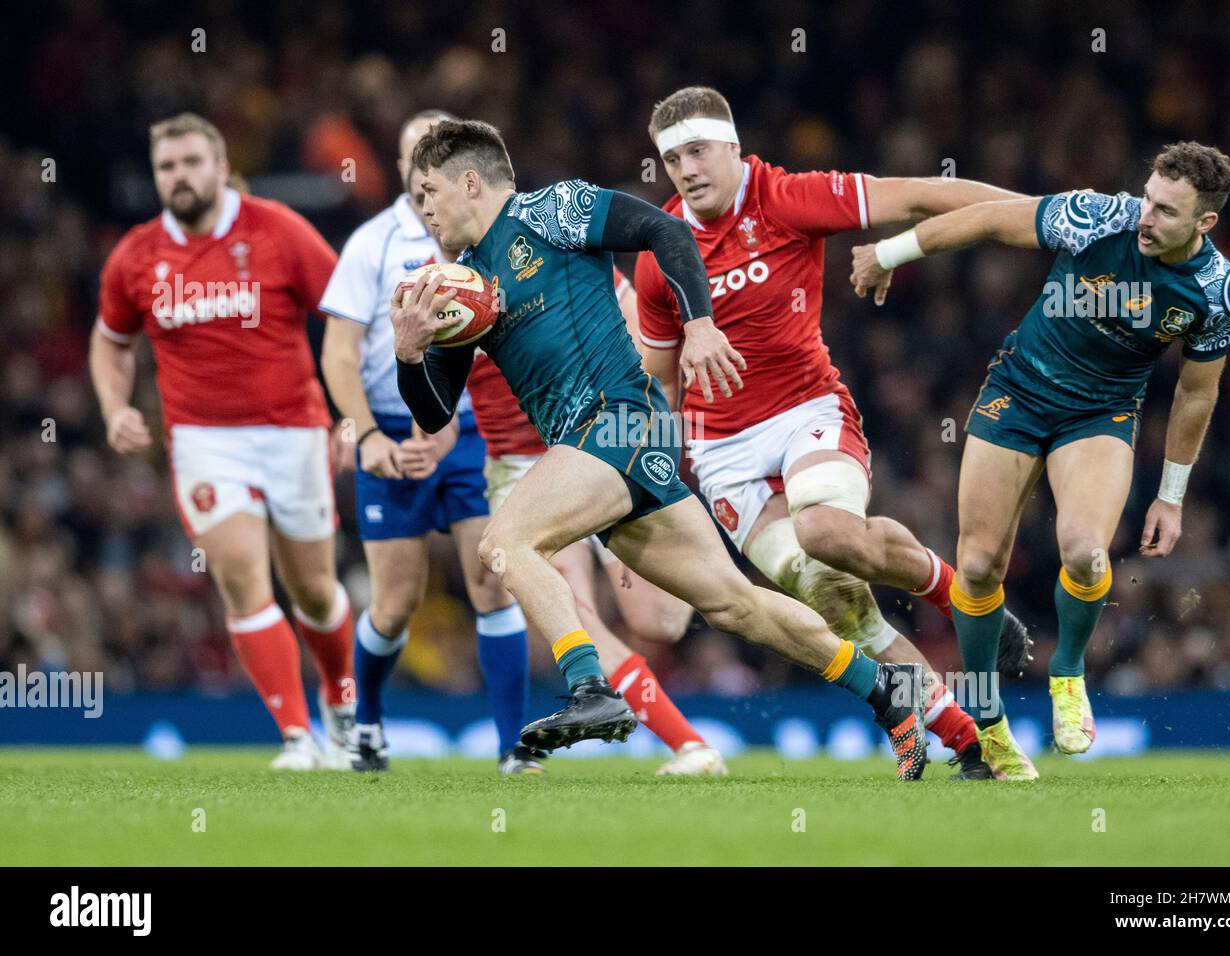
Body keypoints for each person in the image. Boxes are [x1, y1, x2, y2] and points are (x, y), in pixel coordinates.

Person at [394, 119, 929, 780]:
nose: (422, 207)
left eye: (429, 191)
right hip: (606, 453)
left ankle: (591, 689)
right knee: (736, 605)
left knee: (505, 541)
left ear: (470, 182)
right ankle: (891, 701)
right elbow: (434, 410)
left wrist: (699, 323)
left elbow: (665, 231)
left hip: (620, 421)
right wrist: (409, 351)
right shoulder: (460, 286)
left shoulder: (553, 211)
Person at [634, 87, 1032, 777]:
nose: (687, 168)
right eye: (671, 159)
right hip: (722, 452)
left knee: (826, 532)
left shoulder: (785, 198)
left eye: (697, 150)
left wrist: (1038, 214)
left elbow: (910, 196)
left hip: (805, 412)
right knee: (842, 610)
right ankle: (975, 742)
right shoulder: (658, 253)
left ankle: (964, 598)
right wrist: (647, 471)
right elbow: (658, 381)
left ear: (732, 146)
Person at [851, 142, 1230, 779]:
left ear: (1205, 223)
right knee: (976, 566)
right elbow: (983, 218)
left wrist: (1171, 495)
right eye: (1147, 198)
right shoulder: (1096, 217)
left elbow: (1197, 392)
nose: (1146, 218)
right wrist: (889, 252)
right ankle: (988, 726)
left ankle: (1067, 674)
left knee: (1086, 550)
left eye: (1167, 212)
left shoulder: (1216, 292)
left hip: (1101, 414)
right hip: (1018, 394)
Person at [90, 113, 355, 770]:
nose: (178, 176)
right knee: (240, 572)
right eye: (166, 167)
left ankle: (341, 705)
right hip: (204, 441)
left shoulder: (277, 229)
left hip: (294, 430)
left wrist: (357, 414)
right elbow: (110, 340)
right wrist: (114, 405)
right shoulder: (138, 255)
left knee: (316, 590)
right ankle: (297, 737)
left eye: (189, 162)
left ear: (218, 163)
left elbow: (348, 312)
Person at [319, 110, 536, 774]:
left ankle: (512, 748)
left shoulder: (496, 236)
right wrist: (364, 438)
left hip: (474, 431)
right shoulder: (372, 244)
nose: (429, 172)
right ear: (404, 168)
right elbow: (339, 355)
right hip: (392, 431)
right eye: (419, 158)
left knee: (493, 582)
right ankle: (369, 729)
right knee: (394, 603)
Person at [467, 267, 725, 776]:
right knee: (575, 612)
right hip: (523, 471)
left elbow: (645, 352)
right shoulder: (447, 290)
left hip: (602, 448)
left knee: (661, 621)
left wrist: (654, 441)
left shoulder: (574, 266)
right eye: (421, 192)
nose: (429, 208)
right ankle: (691, 745)